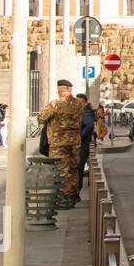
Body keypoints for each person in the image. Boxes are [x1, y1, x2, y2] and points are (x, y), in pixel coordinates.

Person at [38, 80, 86, 210]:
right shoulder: (79, 104)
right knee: (73, 169)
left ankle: (64, 198)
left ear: (59, 91)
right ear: (70, 89)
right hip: (75, 142)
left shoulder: (55, 104)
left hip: (58, 143)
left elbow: (41, 118)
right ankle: (73, 196)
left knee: (61, 170)